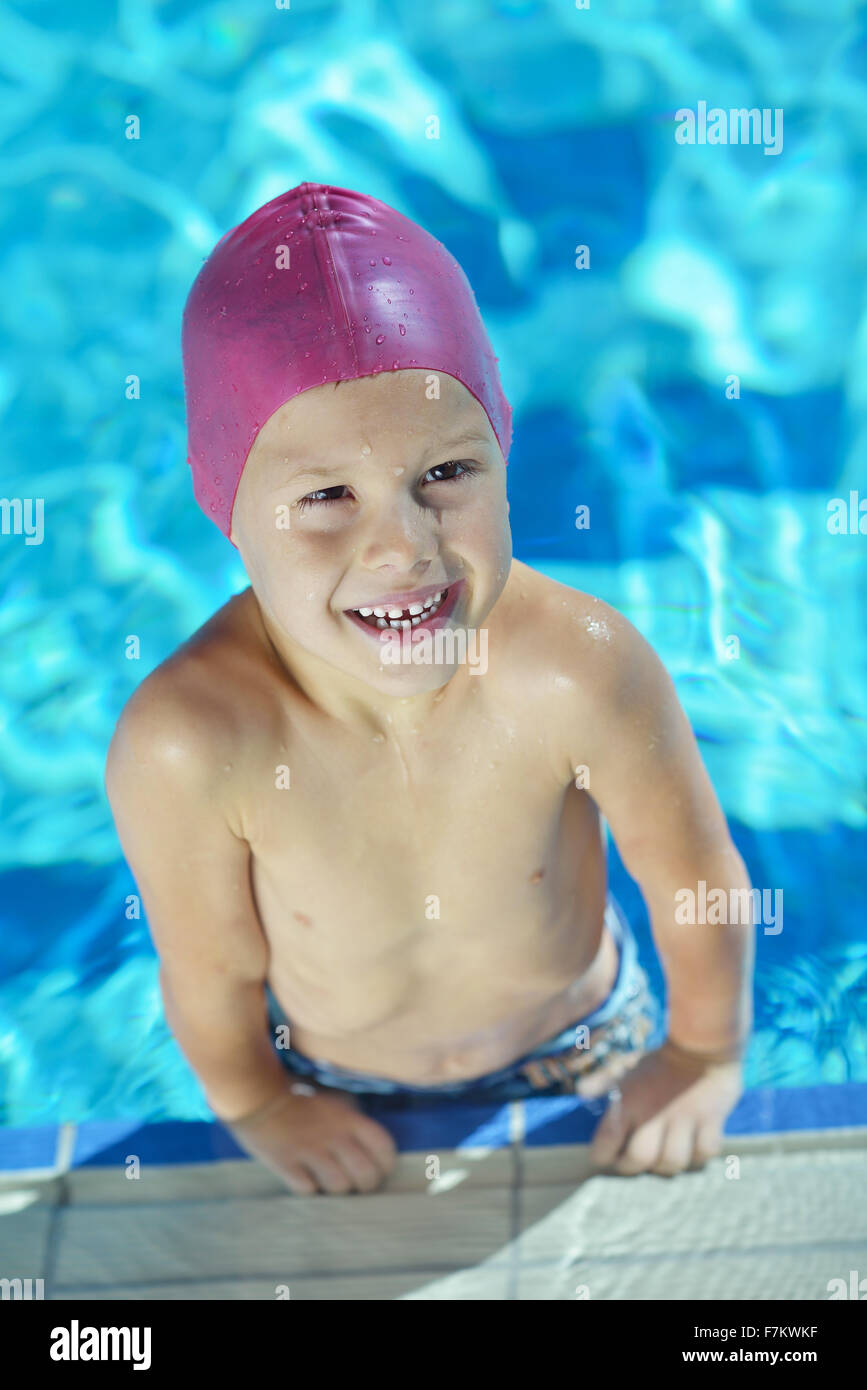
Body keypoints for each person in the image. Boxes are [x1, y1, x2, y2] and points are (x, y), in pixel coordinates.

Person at [106, 182, 753, 1196]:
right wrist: (263, 1104)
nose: (402, 547)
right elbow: (210, 970)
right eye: (326, 497)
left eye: (445, 475)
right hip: (336, 1074)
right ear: (226, 508)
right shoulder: (194, 739)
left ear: (504, 451)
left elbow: (695, 881)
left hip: (584, 1034)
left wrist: (704, 1055)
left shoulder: (581, 663)